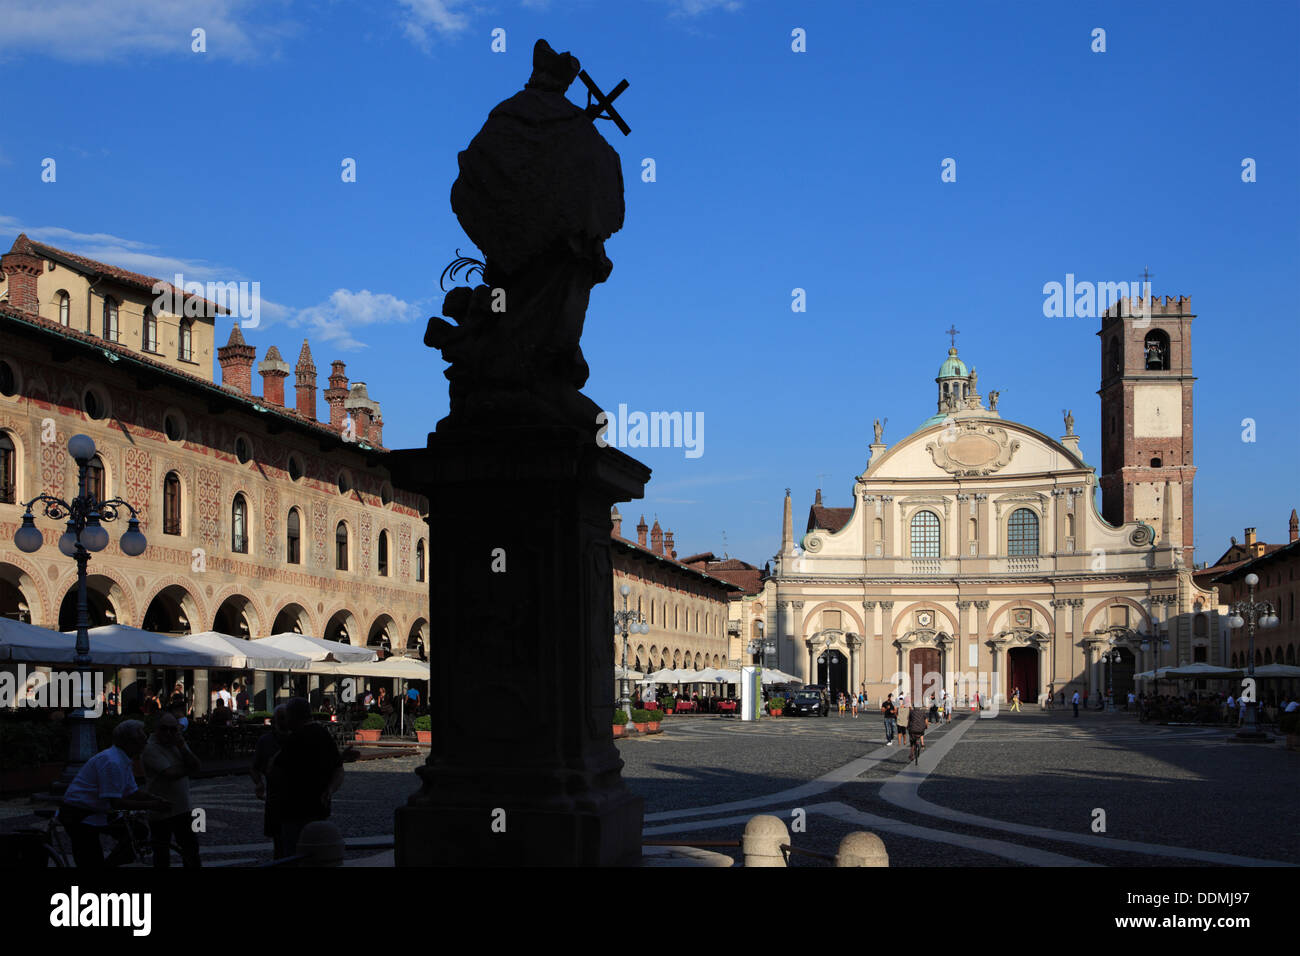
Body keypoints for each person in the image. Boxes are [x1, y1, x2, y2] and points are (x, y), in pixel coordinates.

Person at [59, 720, 172, 867]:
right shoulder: (113, 762)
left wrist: (155, 799)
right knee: (90, 859)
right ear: (129, 742)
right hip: (78, 814)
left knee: (138, 831)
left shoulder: (123, 760)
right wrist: (152, 805)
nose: (145, 742)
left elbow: (132, 791)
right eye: (141, 739)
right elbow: (116, 802)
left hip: (97, 810)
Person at [268, 697, 345, 858]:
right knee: (318, 853)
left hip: (295, 809)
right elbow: (338, 769)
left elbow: (274, 770)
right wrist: (329, 791)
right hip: (320, 807)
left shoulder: (295, 739)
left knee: (293, 855)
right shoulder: (323, 734)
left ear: (293, 716)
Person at [142, 713, 202, 868]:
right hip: (160, 808)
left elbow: (195, 764)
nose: (168, 733)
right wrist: (190, 768)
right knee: (162, 854)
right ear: (156, 729)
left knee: (191, 848)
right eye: (164, 729)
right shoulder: (150, 747)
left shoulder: (178, 742)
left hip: (182, 807)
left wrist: (182, 747)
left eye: (172, 729)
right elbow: (170, 774)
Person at [251, 704, 290, 859]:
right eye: (280, 718)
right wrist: (259, 783)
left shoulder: (298, 738)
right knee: (278, 841)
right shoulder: (265, 741)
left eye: (285, 718)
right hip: (275, 797)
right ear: (274, 720)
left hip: (297, 798)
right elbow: (254, 767)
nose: (283, 721)